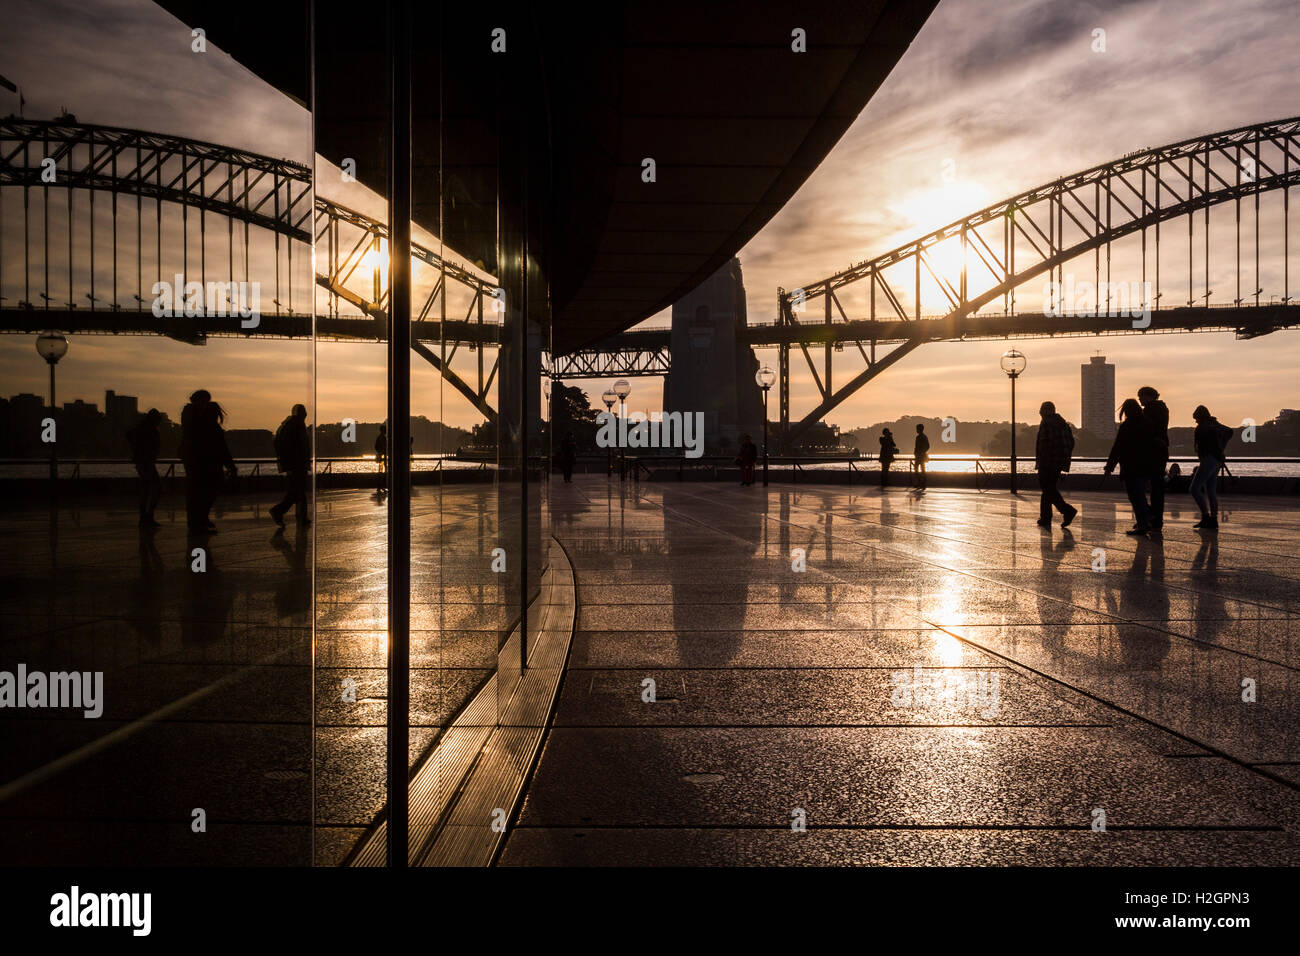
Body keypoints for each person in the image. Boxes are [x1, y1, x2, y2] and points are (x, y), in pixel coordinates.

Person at [180, 391, 237, 533]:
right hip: (204, 462)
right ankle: (198, 522)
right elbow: (221, 447)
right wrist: (230, 465)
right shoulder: (203, 423)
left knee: (198, 493)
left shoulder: (192, 418)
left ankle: (198, 521)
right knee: (206, 492)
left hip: (195, 460)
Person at [1104, 398, 1156, 535]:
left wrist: (1110, 466)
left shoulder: (1127, 426)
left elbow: (1118, 447)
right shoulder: (1148, 424)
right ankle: (1146, 518)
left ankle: (1143, 523)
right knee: (1140, 495)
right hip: (1145, 466)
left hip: (1131, 466)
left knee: (1135, 496)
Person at [1034, 401, 1078, 529]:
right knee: (1048, 488)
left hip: (1047, 462)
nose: (1040, 412)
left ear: (1047, 411)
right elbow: (1070, 442)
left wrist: (1043, 460)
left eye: (1042, 410)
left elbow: (1045, 445)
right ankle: (1045, 517)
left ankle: (1066, 510)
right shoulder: (1063, 424)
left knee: (1047, 488)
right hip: (1058, 462)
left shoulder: (1047, 423)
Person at [1189, 404, 1232, 530]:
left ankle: (1205, 516)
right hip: (1215, 459)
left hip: (1208, 459)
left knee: (1194, 488)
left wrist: (1217, 448)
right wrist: (1221, 446)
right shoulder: (1214, 425)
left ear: (1200, 417)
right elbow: (1230, 431)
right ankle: (1213, 519)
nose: (1195, 421)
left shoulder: (1206, 427)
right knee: (1211, 490)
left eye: (1196, 418)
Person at [270, 403, 311, 528]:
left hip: (295, 464)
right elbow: (298, 447)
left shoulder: (291, 425)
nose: (305, 414)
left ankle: (302, 517)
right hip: (296, 465)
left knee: (299, 491)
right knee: (296, 492)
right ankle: (279, 510)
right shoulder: (295, 426)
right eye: (303, 411)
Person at [1138, 386, 1170, 532]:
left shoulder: (1150, 410)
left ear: (1147, 396)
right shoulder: (1163, 408)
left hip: (1151, 452)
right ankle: (1156, 518)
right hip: (1161, 451)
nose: (1139, 399)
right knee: (1157, 488)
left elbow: (1146, 430)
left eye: (1141, 396)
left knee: (1140, 487)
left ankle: (1150, 516)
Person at [126, 408, 163, 528]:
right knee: (152, 489)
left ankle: (146, 516)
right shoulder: (147, 430)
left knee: (147, 490)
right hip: (146, 462)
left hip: (145, 462)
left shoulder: (146, 429)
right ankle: (147, 516)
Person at [913, 423, 930, 489]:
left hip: (921, 456)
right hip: (918, 456)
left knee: (922, 470)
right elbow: (916, 446)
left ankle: (922, 483)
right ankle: (921, 482)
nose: (916, 430)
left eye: (917, 429)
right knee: (917, 469)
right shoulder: (918, 437)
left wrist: (922, 452)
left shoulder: (923, 437)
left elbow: (928, 446)